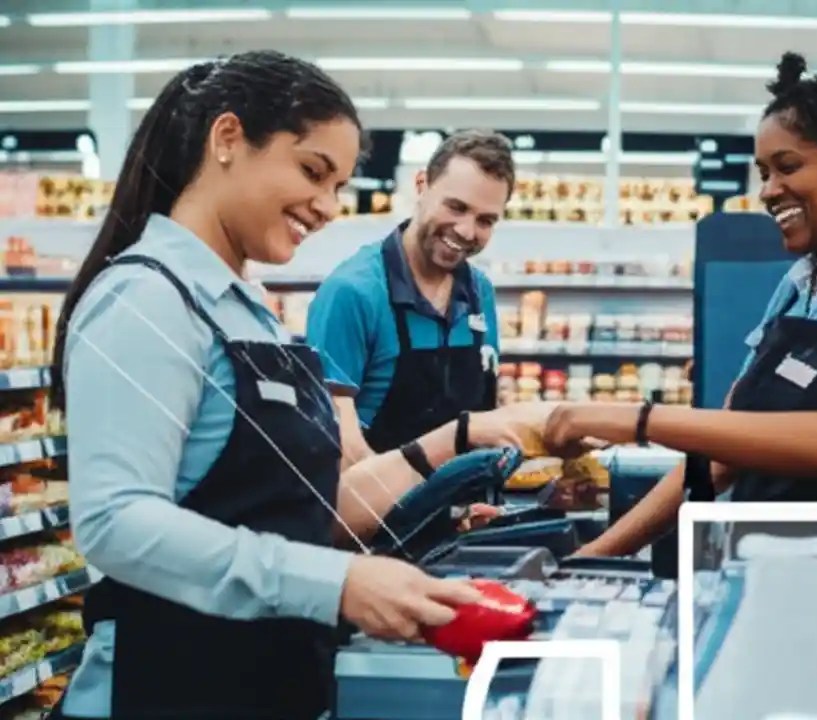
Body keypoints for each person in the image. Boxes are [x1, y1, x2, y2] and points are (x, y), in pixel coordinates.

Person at [48, 52, 533, 720]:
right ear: (227, 140)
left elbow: (309, 503)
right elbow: (115, 523)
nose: (331, 207)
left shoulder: (246, 307)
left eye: (340, 184)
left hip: (267, 685)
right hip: (165, 687)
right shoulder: (146, 299)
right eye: (313, 172)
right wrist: (334, 583)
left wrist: (446, 466)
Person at [546, 52, 817, 556]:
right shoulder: (798, 287)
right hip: (778, 575)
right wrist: (596, 555)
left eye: (787, 167)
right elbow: (720, 455)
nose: (769, 191)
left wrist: (637, 420)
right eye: (763, 173)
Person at [306, 130, 513, 471]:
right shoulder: (352, 292)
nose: (466, 230)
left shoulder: (480, 292)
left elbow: (480, 415)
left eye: (485, 220)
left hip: (466, 512)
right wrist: (417, 507)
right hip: (378, 514)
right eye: (456, 207)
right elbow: (339, 444)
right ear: (421, 185)